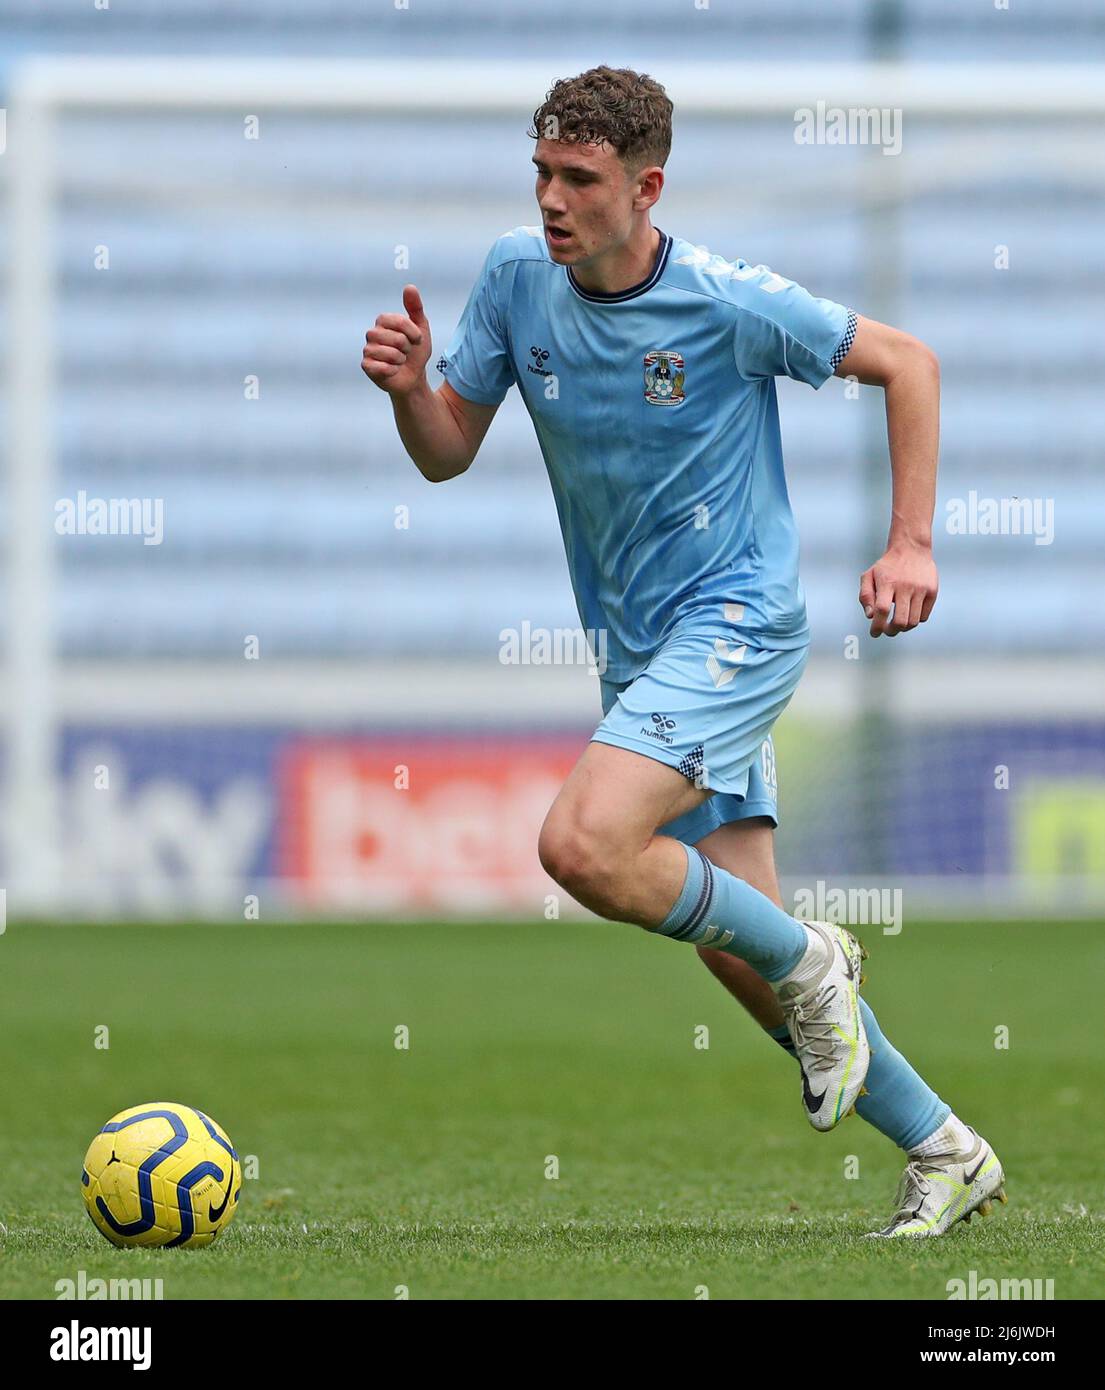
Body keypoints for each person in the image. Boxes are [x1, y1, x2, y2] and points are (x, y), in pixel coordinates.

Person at [361, 65, 1005, 1237]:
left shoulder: (724, 300)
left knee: (583, 845)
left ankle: (817, 957)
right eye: (542, 173)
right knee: (731, 946)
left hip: (736, 626)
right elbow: (446, 447)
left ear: (645, 185)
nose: (552, 200)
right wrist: (411, 389)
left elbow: (909, 362)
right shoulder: (516, 277)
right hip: (641, 651)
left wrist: (910, 542)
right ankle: (945, 1146)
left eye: (580, 179)